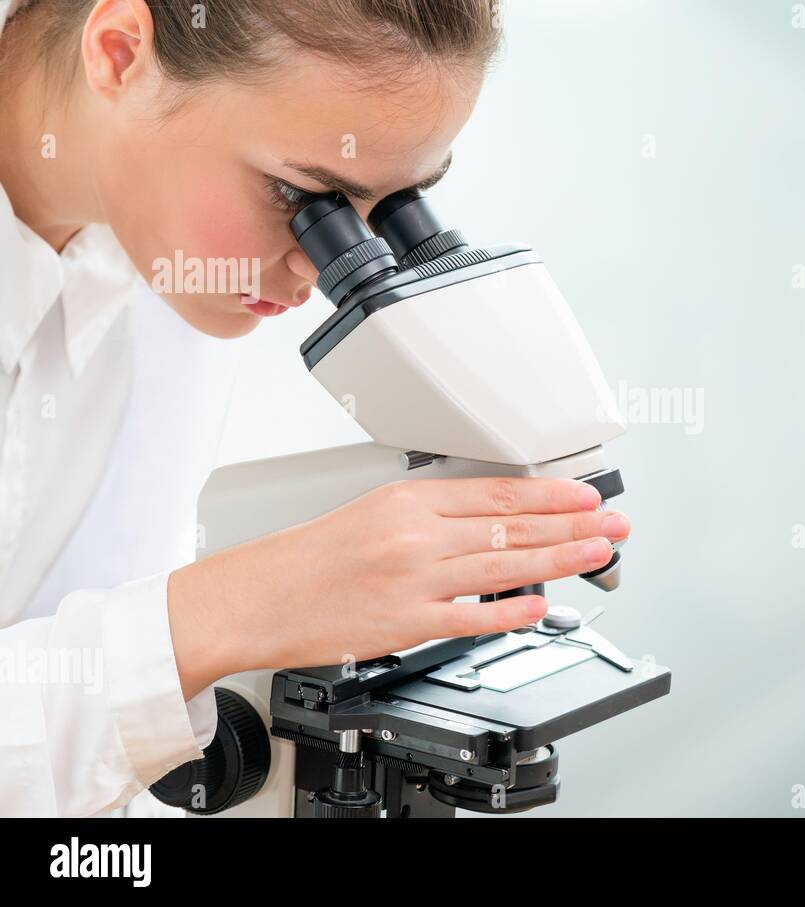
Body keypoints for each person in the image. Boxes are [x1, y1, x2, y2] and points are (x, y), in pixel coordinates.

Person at [0, 0, 631, 816]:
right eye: (301, 194)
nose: (318, 263)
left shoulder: (168, 246)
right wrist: (228, 612)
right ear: (121, 53)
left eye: (392, 207)